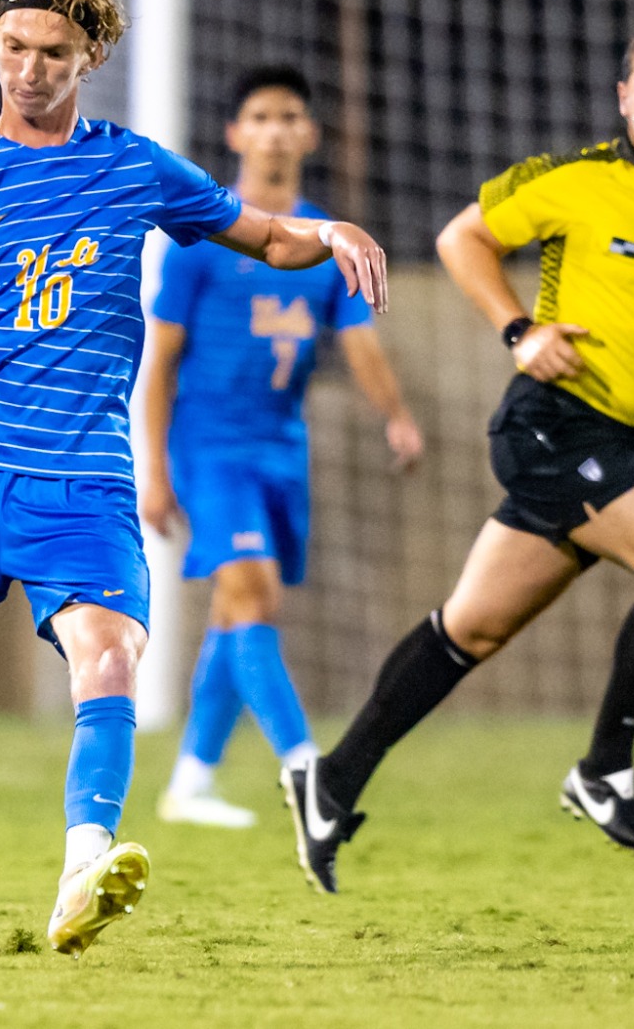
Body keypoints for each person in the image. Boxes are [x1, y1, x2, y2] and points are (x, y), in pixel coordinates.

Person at [0, 0, 388, 956]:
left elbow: (263, 236)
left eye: (53, 53)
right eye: (16, 46)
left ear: (89, 56)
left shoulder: (134, 169)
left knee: (109, 652)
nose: (31, 69)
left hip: (82, 481)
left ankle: (83, 865)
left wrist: (327, 231)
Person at [282, 17, 634, 892]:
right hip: (553, 426)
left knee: (470, 627)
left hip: (620, 439)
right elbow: (460, 238)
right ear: (622, 96)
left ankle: (330, 782)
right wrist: (519, 330)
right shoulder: (577, 180)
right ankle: (605, 770)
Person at [139, 66, 424, 830]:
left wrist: (396, 416)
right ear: (235, 134)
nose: (273, 130)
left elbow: (359, 343)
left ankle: (193, 779)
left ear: (308, 134)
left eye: (288, 116)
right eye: (258, 115)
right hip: (210, 449)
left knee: (240, 612)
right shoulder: (198, 239)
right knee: (253, 594)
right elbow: (159, 364)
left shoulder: (326, 240)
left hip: (281, 453)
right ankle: (309, 776)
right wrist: (153, 470)